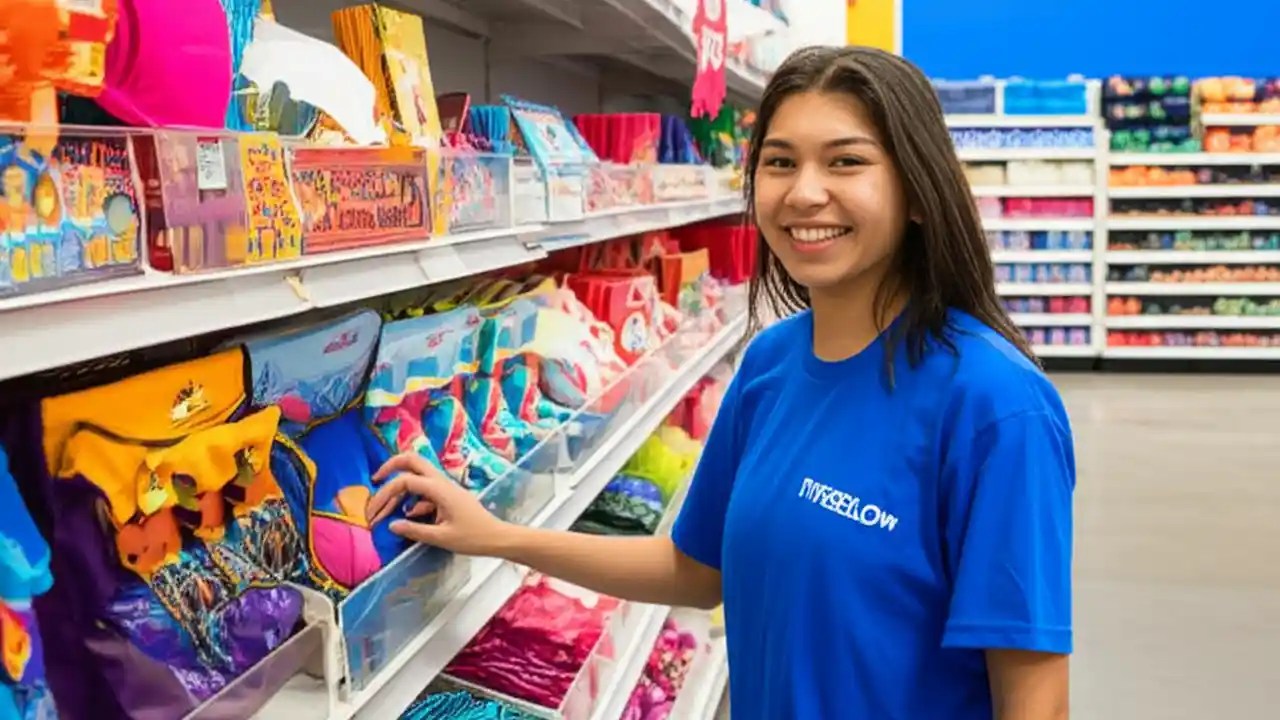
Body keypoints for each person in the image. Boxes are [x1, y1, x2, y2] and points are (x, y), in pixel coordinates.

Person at [368, 45, 1074, 720]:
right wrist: (501, 537)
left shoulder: (995, 407)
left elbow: (1034, 699)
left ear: (918, 191)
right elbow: (694, 569)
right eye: (779, 162)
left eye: (846, 162)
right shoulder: (770, 364)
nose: (804, 193)